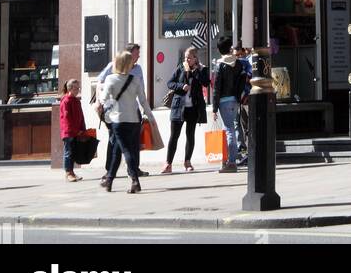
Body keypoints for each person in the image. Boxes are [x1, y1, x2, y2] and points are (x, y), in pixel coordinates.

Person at [99, 49, 154, 194]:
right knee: (118, 150)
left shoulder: (111, 79)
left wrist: (104, 106)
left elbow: (103, 99)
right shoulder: (134, 80)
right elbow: (143, 100)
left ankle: (135, 181)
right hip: (134, 120)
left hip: (119, 119)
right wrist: (151, 117)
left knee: (126, 151)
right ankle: (109, 180)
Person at [162, 46, 209, 174]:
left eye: (189, 58)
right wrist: (182, 86)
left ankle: (187, 161)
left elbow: (206, 83)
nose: (186, 60)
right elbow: (170, 83)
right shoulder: (181, 68)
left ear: (195, 58)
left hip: (193, 108)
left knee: (190, 135)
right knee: (174, 136)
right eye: (185, 58)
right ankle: (168, 163)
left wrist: (196, 72)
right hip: (179, 107)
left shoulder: (202, 69)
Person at [212, 35, 247, 174]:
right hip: (234, 100)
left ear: (220, 50)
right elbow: (243, 79)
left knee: (229, 130)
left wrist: (214, 108)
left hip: (223, 101)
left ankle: (231, 162)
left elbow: (216, 88)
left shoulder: (220, 65)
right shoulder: (238, 63)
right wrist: (238, 96)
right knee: (232, 128)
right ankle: (230, 160)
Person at [59, 78, 85, 183]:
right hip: (69, 132)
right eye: (76, 88)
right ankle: (68, 173)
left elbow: (81, 116)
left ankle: (72, 172)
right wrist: (74, 130)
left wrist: (82, 129)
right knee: (68, 152)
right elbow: (66, 119)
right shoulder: (66, 101)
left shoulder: (76, 100)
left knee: (73, 152)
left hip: (76, 131)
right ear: (70, 88)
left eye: (79, 87)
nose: (78, 89)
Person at [234, 42, 252, 166]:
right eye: (236, 55)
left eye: (240, 55)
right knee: (241, 126)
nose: (238, 57)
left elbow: (251, 78)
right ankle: (245, 153)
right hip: (238, 99)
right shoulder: (233, 64)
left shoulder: (246, 63)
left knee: (249, 127)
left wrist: (242, 76)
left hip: (247, 98)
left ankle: (251, 153)